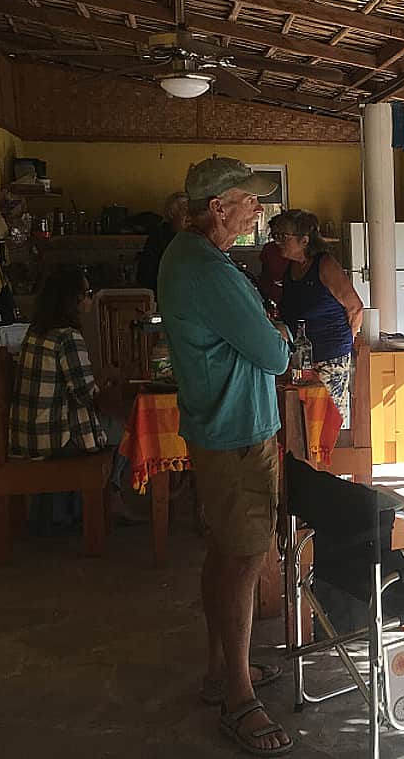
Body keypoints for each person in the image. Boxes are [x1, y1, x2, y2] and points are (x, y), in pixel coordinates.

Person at [157, 157, 293, 757]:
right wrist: (275, 333)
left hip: (221, 428)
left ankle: (221, 672)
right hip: (237, 433)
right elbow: (273, 352)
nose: (258, 209)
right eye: (249, 199)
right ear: (218, 207)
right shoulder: (207, 269)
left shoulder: (190, 259)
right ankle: (238, 699)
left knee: (224, 552)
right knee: (243, 560)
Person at [9, 266, 126, 532]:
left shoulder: (36, 332)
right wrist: (105, 377)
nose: (89, 299)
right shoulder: (68, 337)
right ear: (70, 300)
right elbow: (86, 395)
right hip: (54, 437)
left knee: (108, 426)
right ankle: (112, 499)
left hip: (27, 434)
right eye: (86, 293)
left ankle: (69, 511)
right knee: (127, 432)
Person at [260, 209, 363, 426]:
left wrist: (346, 343)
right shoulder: (292, 268)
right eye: (275, 235)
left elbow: (355, 308)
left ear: (304, 240)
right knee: (305, 422)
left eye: (282, 236)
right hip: (300, 359)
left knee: (329, 420)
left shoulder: (324, 265)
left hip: (330, 358)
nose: (277, 241)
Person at [136, 192, 188, 292]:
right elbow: (145, 276)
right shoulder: (158, 237)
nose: (190, 217)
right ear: (172, 213)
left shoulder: (192, 237)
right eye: (185, 211)